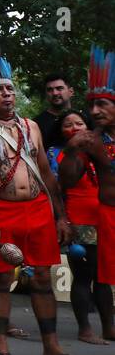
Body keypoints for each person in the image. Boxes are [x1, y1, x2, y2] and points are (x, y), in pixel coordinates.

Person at [0, 36, 87, 355]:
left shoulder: (31, 127)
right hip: (1, 211)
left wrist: (60, 216)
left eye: (10, 89)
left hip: (37, 210)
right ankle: (0, 345)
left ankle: (52, 347)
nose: (7, 95)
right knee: (1, 278)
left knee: (43, 278)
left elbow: (46, 174)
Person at [59, 48, 115, 340]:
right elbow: (67, 180)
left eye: (102, 104)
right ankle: (106, 327)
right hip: (106, 217)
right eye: (91, 105)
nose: (94, 112)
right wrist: (71, 150)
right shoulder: (91, 141)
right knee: (102, 277)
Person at [52, 109, 114, 344]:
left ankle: (108, 327)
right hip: (79, 220)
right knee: (84, 275)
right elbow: (59, 187)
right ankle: (85, 330)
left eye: (79, 123)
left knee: (103, 276)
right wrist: (63, 220)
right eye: (68, 124)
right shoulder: (62, 154)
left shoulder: (100, 145)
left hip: (103, 217)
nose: (74, 128)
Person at [35, 73, 77, 151]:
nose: (55, 93)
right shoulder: (36, 124)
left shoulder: (83, 118)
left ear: (71, 92)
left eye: (59, 88)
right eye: (50, 90)